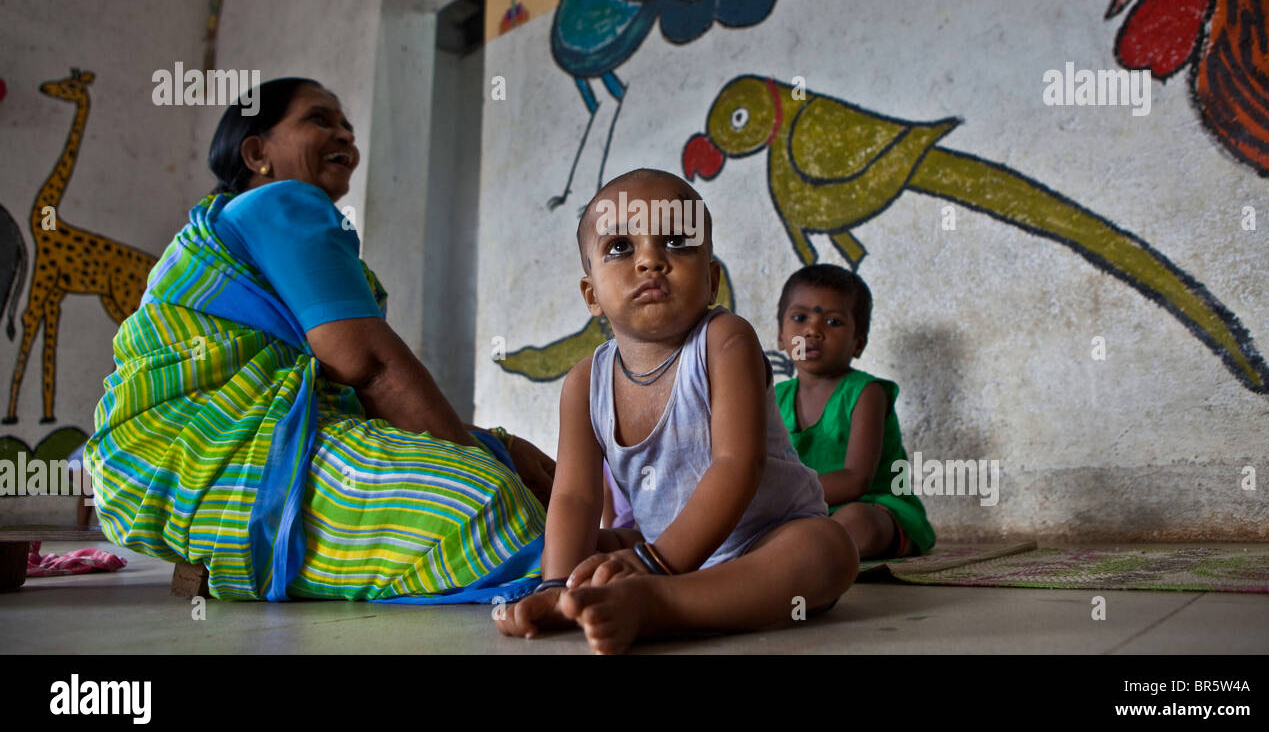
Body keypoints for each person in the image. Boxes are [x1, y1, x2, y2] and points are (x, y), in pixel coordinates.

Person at [85, 78, 551, 602]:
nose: (345, 136)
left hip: (190, 460)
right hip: (205, 457)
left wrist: (493, 445)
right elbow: (369, 367)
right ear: (257, 152)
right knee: (487, 498)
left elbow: (341, 393)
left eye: (348, 126)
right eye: (320, 120)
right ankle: (584, 571)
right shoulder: (277, 203)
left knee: (515, 459)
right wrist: (478, 462)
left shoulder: (245, 225)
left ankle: (576, 554)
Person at [495, 169, 859, 653]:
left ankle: (659, 605)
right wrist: (558, 584)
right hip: (656, 546)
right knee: (592, 550)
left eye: (676, 241)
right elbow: (576, 498)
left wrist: (656, 565)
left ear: (711, 281)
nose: (650, 259)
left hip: (764, 541)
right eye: (621, 247)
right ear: (592, 296)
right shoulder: (584, 383)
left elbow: (737, 464)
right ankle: (590, 599)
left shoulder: (726, 341)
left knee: (828, 550)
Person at [774, 264, 935, 558]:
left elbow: (856, 480)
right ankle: (801, 552)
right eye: (800, 318)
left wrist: (781, 498)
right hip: (798, 513)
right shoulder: (772, 399)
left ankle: (798, 554)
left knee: (857, 523)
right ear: (781, 337)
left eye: (833, 322)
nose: (813, 330)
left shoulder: (865, 393)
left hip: (871, 505)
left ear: (858, 343)